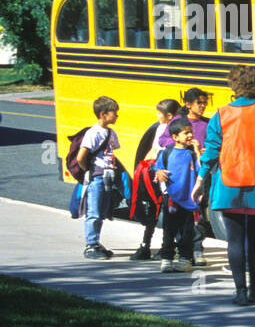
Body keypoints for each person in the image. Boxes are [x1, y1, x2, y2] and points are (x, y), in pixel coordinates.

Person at [194, 65, 255, 306]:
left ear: (233, 87)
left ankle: (240, 291)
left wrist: (199, 180)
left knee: (235, 241)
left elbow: (212, 151)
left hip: (230, 185)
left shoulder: (221, 114)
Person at [127, 98, 181, 261]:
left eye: (159, 113)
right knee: (153, 209)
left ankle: (168, 246)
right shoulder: (160, 128)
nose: (157, 115)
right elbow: (154, 149)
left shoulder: (175, 130)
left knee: (167, 211)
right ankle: (145, 246)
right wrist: (143, 168)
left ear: (169, 115)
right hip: (155, 174)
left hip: (167, 176)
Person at [76, 96, 121, 260]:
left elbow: (112, 151)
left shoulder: (110, 132)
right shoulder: (93, 133)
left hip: (108, 178)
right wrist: (88, 170)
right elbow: (81, 157)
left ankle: (96, 242)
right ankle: (90, 245)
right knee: (93, 212)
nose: (117, 116)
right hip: (96, 178)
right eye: (114, 113)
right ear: (103, 114)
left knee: (102, 212)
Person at [153, 116, 200, 272]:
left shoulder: (192, 155)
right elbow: (157, 168)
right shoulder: (166, 153)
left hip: (189, 199)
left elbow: (201, 171)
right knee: (169, 230)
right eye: (186, 133)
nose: (190, 135)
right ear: (174, 137)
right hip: (171, 199)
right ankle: (167, 259)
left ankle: (185, 259)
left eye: (190, 132)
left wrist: (198, 152)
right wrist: (159, 172)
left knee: (187, 232)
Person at [181, 88, 212, 266]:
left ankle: (198, 249)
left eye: (204, 103)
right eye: (199, 103)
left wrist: (206, 150)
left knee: (198, 212)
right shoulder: (178, 122)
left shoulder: (207, 125)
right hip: (181, 176)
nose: (202, 106)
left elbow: (215, 144)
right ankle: (182, 249)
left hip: (200, 174)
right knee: (180, 213)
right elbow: (165, 140)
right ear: (188, 104)